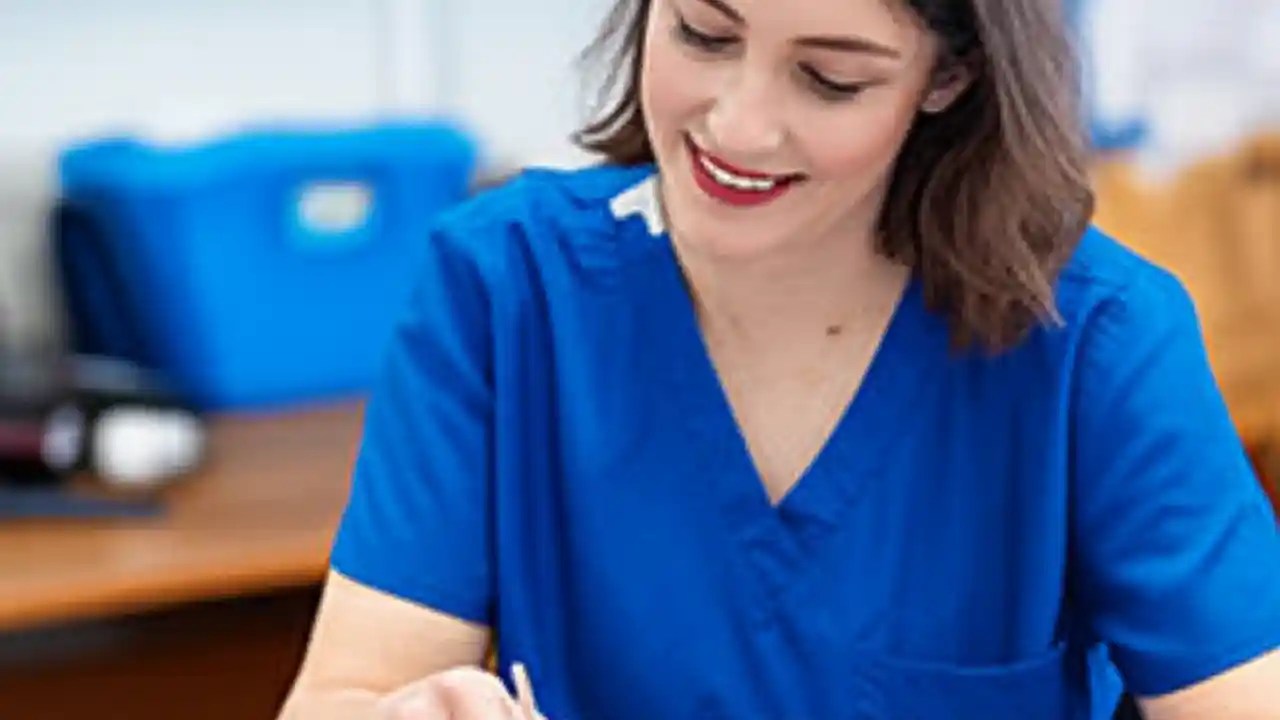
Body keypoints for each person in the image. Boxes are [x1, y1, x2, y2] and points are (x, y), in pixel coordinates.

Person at [278, 0, 1280, 717]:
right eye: (702, 35)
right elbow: (346, 691)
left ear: (948, 76)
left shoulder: (1093, 341)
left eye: (829, 77)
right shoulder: (503, 290)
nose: (737, 125)